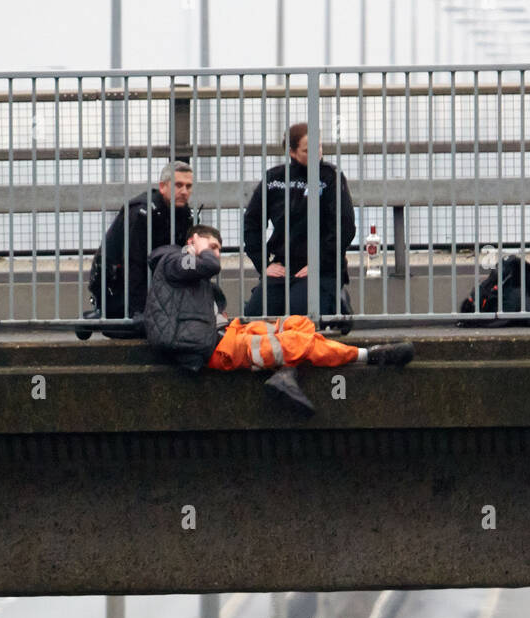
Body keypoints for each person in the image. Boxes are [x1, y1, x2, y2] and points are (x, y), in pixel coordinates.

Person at [144, 226, 414, 417]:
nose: (215, 254)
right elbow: (208, 266)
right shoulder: (175, 260)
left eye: (217, 249)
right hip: (212, 347)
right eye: (212, 246)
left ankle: (285, 374)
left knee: (300, 324)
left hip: (223, 332)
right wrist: (201, 250)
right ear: (193, 240)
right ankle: (370, 356)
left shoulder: (184, 271)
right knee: (299, 343)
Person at [242, 124, 356, 322]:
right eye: (307, 150)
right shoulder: (274, 179)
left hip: (322, 267)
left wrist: (318, 263)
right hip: (284, 265)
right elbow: (252, 222)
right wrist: (264, 264)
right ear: (292, 152)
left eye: (319, 147)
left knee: (301, 314)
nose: (316, 154)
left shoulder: (331, 178)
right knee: (256, 315)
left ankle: (336, 302)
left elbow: (344, 227)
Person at [76, 161, 195, 339]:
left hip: (151, 278)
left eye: (188, 186)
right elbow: (133, 262)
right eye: (178, 185)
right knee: (140, 328)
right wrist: (137, 311)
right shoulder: (142, 212)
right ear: (163, 186)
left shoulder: (184, 214)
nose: (184, 191)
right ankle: (96, 319)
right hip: (117, 281)